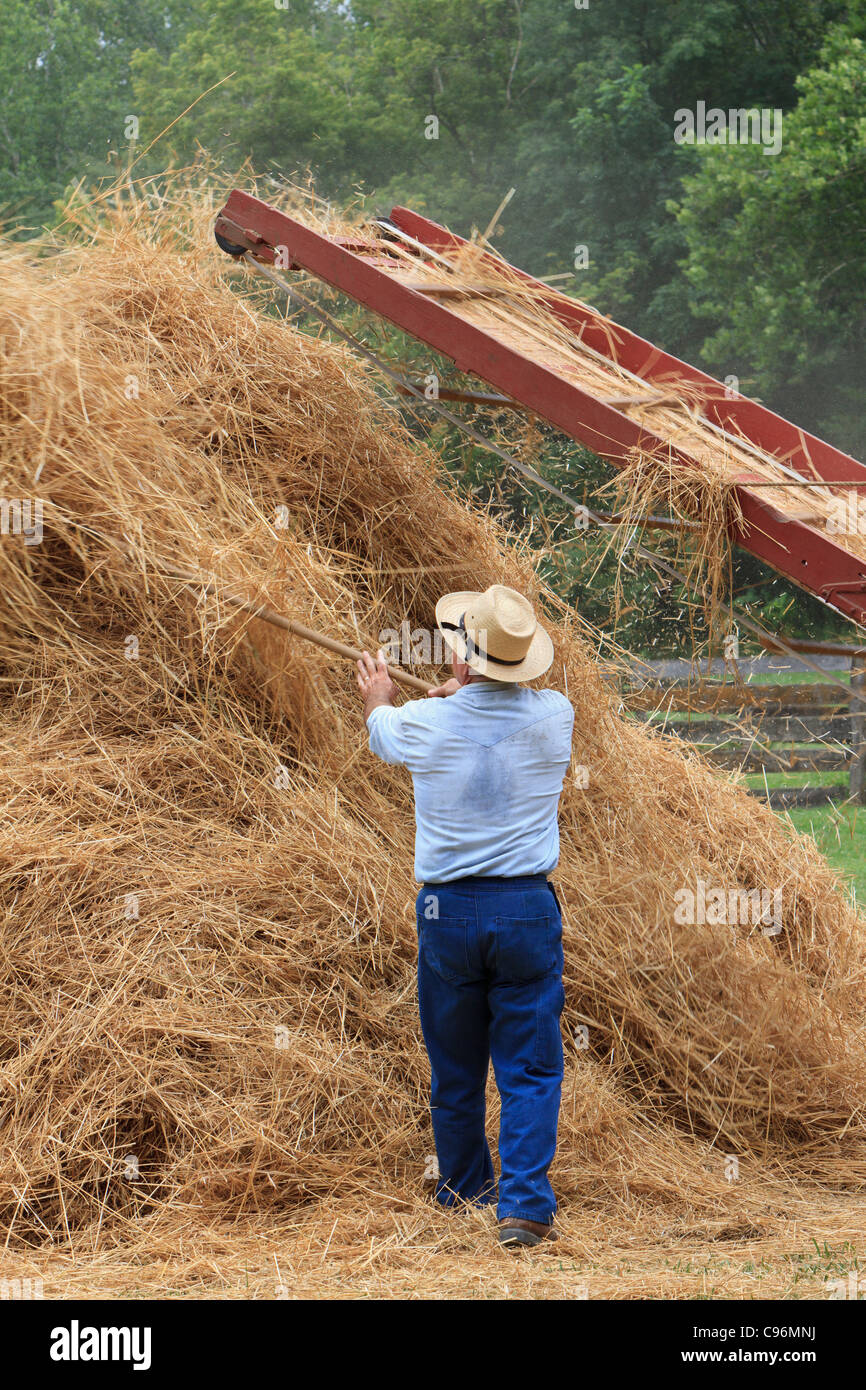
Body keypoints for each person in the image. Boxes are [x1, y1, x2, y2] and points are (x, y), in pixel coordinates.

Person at [356, 583, 574, 1249]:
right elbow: (499, 713)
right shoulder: (556, 716)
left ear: (458, 659)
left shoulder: (422, 725)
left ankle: (463, 1190)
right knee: (530, 1068)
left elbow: (381, 731)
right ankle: (525, 1209)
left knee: (455, 1064)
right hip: (526, 909)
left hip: (446, 909)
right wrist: (463, 693)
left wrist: (379, 696)